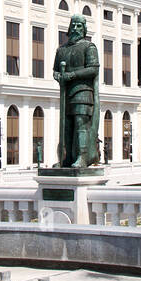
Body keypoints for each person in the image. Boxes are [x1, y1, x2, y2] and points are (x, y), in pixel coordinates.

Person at [52, 14, 99, 168]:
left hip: (83, 92)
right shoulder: (61, 50)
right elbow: (55, 71)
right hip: (66, 93)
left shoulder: (89, 47)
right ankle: (66, 158)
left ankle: (82, 157)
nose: (75, 28)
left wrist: (72, 75)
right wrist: (59, 76)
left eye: (79, 25)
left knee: (81, 125)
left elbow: (93, 69)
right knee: (67, 127)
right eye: (73, 25)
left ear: (84, 29)